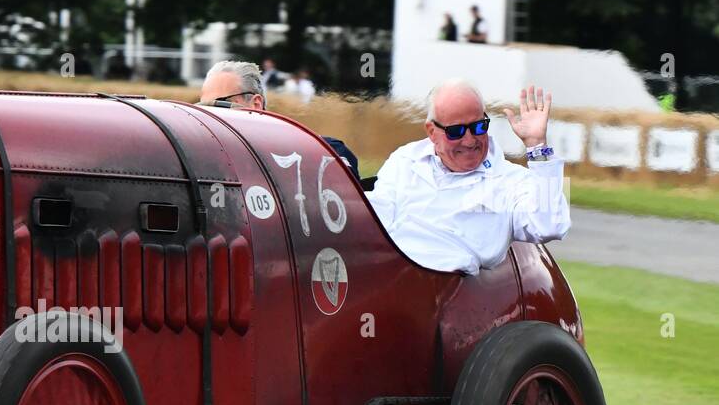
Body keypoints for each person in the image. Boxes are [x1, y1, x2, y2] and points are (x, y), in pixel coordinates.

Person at [365, 79, 568, 275]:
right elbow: (373, 220)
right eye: (457, 132)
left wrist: (537, 146)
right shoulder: (405, 159)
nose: (470, 141)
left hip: (451, 291)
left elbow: (551, 226)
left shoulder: (509, 181)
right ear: (432, 132)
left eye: (479, 127)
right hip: (390, 275)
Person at [199, 61, 360, 177]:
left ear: (255, 104)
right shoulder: (203, 158)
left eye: (221, 104)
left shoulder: (326, 152)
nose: (211, 114)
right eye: (205, 108)